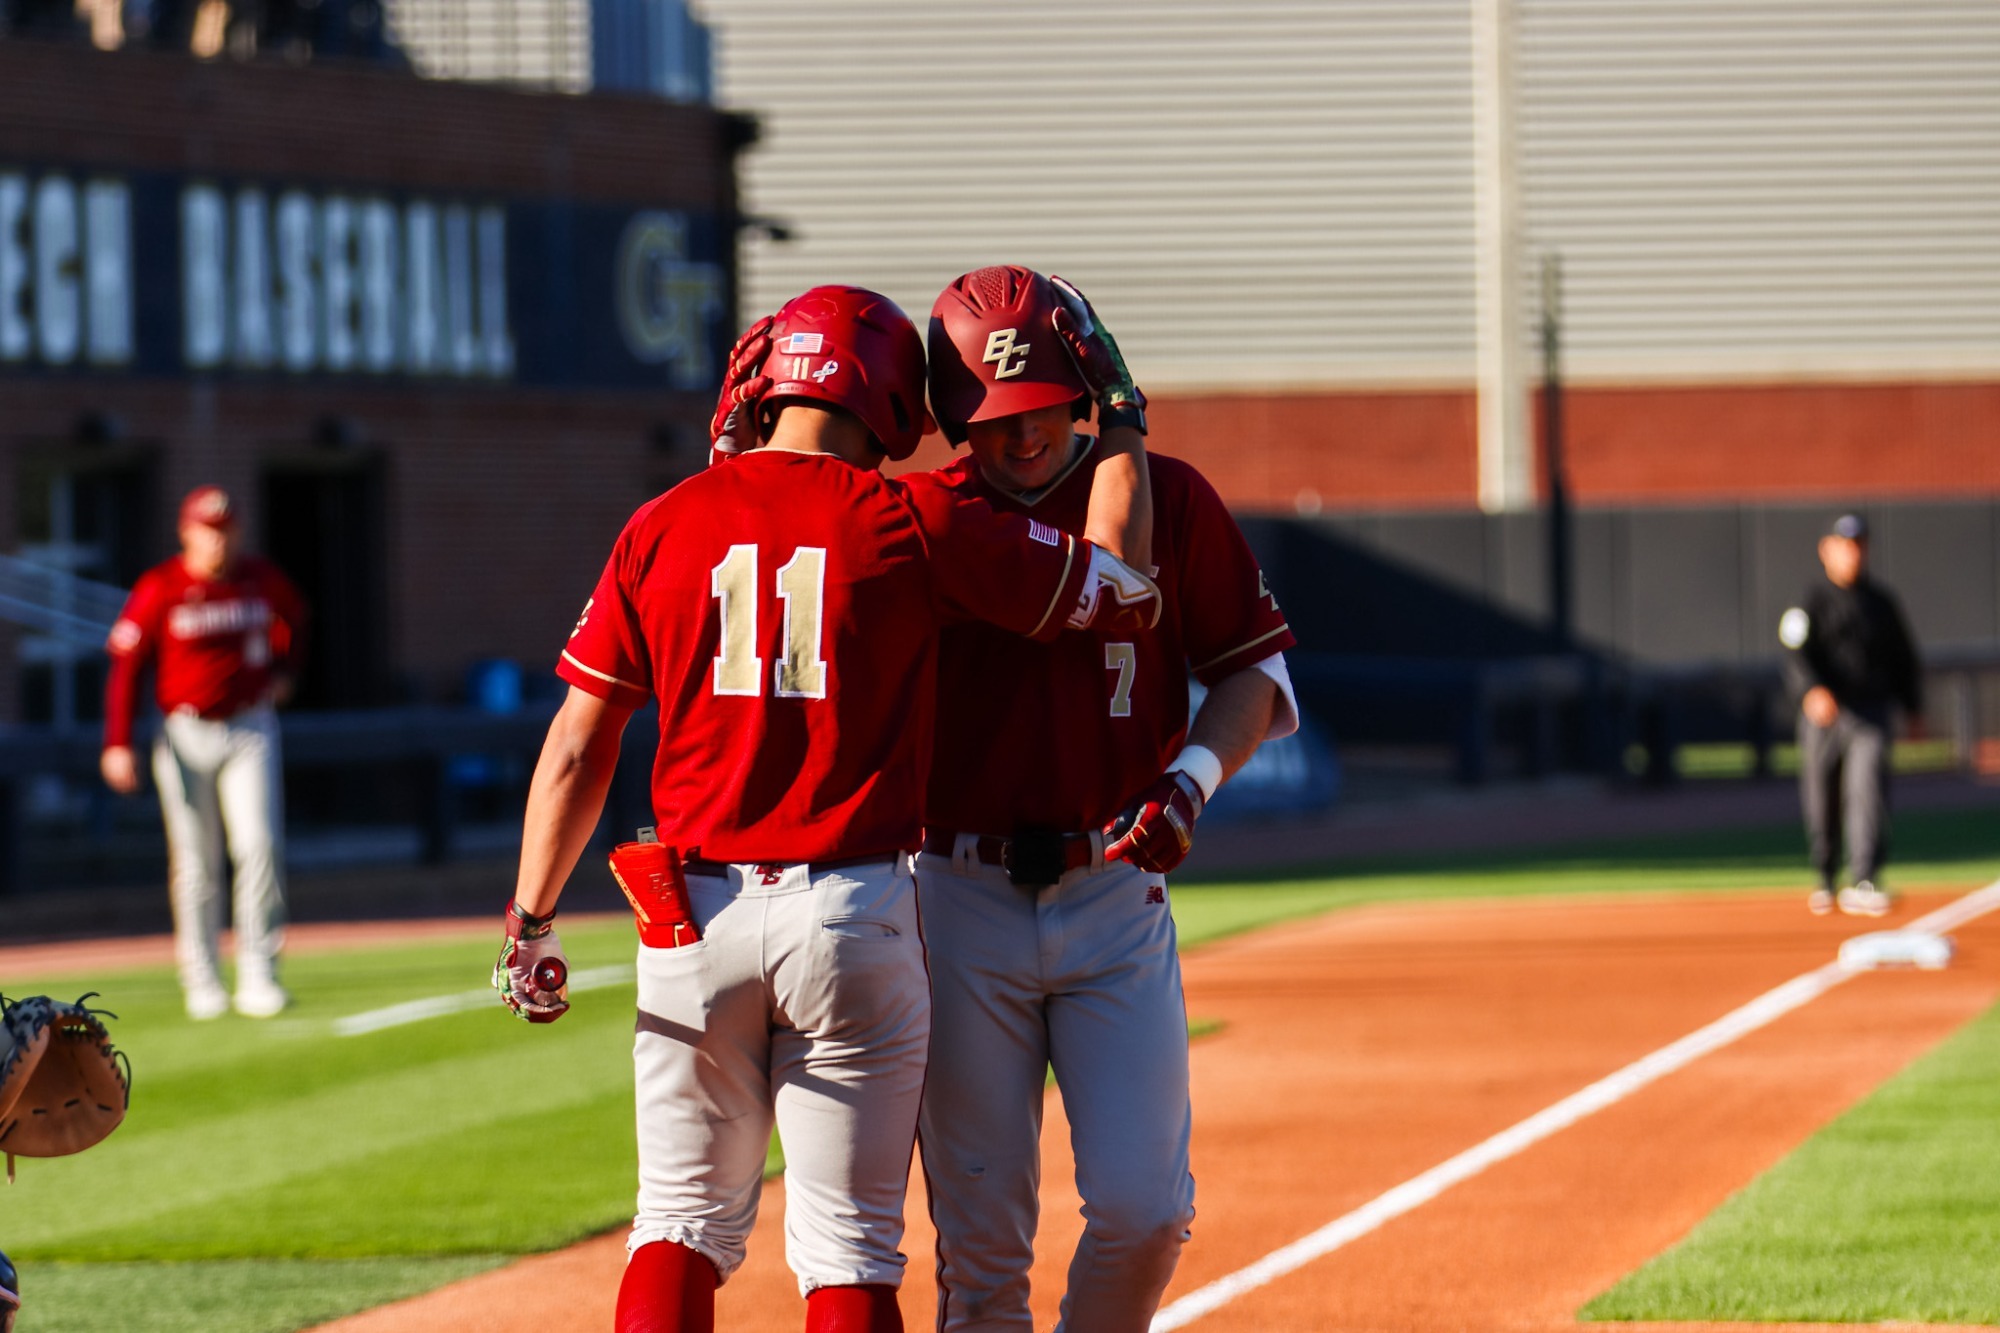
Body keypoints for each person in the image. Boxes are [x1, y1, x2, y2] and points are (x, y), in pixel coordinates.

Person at [492, 284, 1158, 1333]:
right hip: (853, 908)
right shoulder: (910, 516)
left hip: (689, 911)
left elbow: (578, 742)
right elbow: (1116, 582)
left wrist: (528, 921)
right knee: (846, 1247)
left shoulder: (659, 523)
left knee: (675, 1223)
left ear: (760, 383)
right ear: (896, 405)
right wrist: (1115, 408)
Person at [913, 266, 1300, 1333]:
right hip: (957, 893)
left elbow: (1253, 674)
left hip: (1113, 884)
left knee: (1144, 1211)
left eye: (1039, 404)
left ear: (1079, 386)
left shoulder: (1170, 495)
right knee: (981, 1258)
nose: (1021, 435)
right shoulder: (926, 517)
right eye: (992, 415)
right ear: (951, 413)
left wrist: (1190, 780)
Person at [101, 485, 306, 1019]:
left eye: (226, 530)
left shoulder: (259, 579)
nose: (218, 541)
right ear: (186, 532)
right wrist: (117, 741)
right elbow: (127, 666)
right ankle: (201, 976)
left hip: (249, 725)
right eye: (208, 531)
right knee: (195, 862)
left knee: (259, 845)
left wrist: (284, 671)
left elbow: (296, 619)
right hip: (184, 730)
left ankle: (259, 970)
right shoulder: (161, 586)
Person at [1780, 512, 1922, 917]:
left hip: (1870, 712)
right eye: (1844, 545)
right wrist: (1812, 690)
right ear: (1827, 550)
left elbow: (1903, 658)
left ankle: (1864, 877)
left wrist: (1912, 707)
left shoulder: (1881, 603)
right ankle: (1825, 876)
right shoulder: (1809, 601)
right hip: (1824, 716)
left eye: (1859, 545)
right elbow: (1794, 653)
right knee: (1821, 795)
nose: (1852, 554)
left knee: (1867, 788)